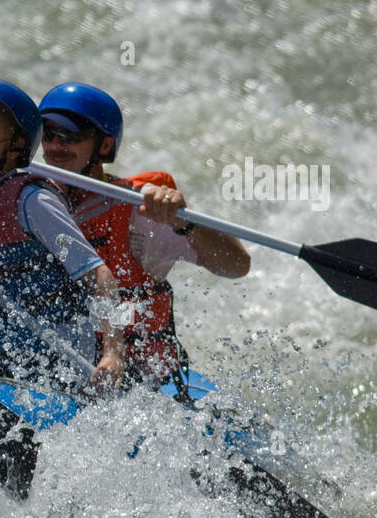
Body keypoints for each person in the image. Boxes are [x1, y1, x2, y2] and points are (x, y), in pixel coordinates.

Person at [36, 82, 250, 388]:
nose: (55, 146)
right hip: (57, 364)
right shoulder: (30, 198)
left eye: (69, 136)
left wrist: (186, 224)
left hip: (140, 378)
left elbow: (237, 265)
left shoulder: (142, 211)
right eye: (48, 134)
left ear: (104, 146)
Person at [0, 79, 123, 389]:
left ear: (16, 146)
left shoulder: (34, 201)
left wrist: (112, 352)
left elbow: (101, 277)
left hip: (53, 360)